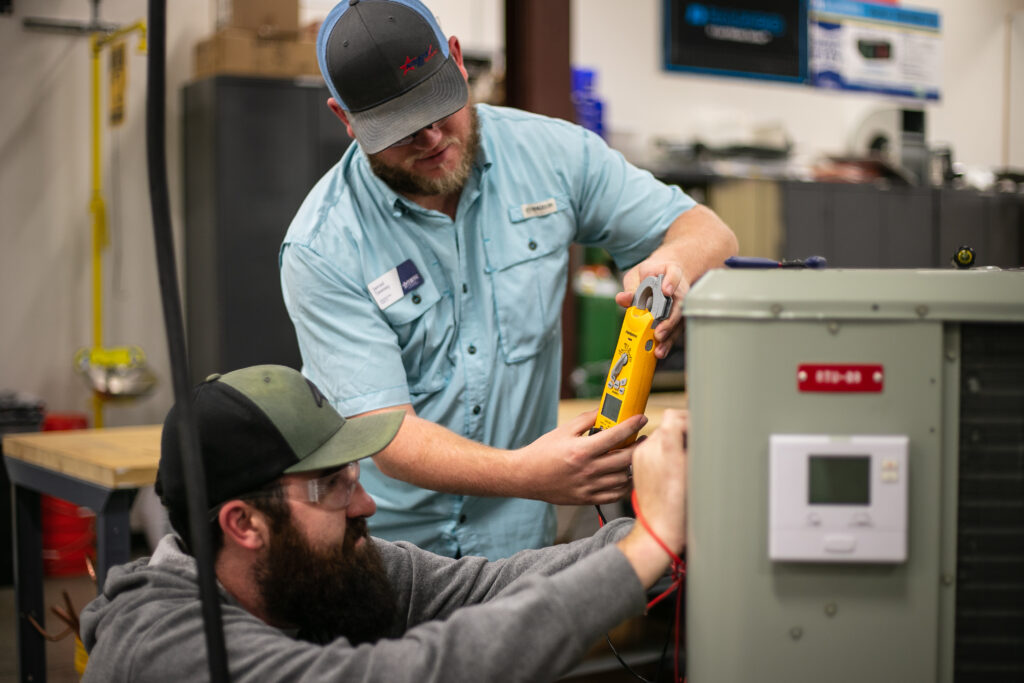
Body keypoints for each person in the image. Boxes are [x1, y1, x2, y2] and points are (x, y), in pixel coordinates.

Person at [279, 0, 736, 559]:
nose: (430, 139)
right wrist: (528, 474)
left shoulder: (553, 155)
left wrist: (677, 265)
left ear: (456, 60)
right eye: (400, 129)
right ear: (345, 118)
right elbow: (389, 436)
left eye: (438, 108)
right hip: (389, 557)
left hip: (521, 549)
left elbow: (708, 231)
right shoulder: (323, 244)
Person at [80, 364, 689, 682]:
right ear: (244, 524)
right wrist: (645, 549)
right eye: (334, 487)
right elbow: (405, 674)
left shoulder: (317, 572)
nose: (365, 504)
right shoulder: (166, 647)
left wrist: (678, 526)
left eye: (356, 474)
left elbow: (491, 589)